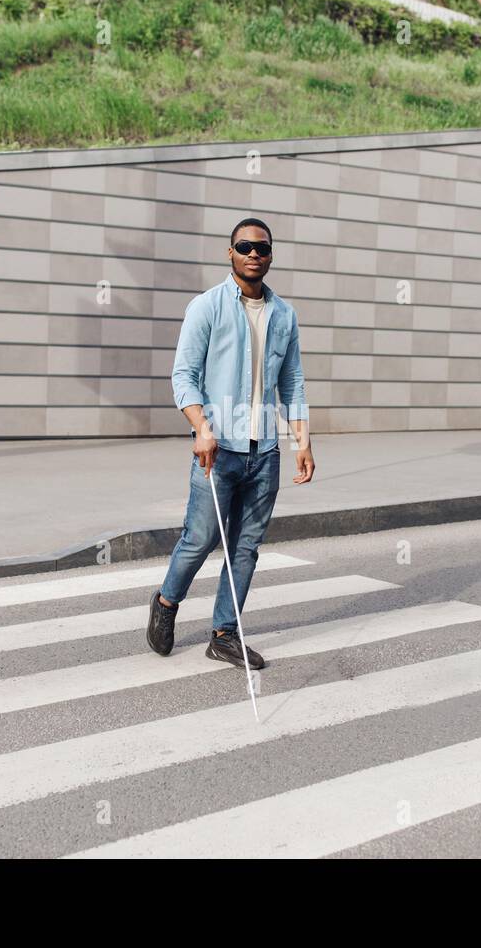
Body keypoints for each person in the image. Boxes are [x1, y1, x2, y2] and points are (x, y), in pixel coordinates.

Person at [145, 217, 315, 668]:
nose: (253, 254)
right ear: (230, 253)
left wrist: (302, 440)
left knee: (245, 548)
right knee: (199, 539)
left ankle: (224, 633)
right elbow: (184, 376)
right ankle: (165, 602)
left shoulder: (284, 315)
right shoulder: (206, 308)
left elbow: (292, 381)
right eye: (244, 247)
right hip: (218, 452)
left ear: (271, 255)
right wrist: (201, 427)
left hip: (265, 454)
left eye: (261, 248)